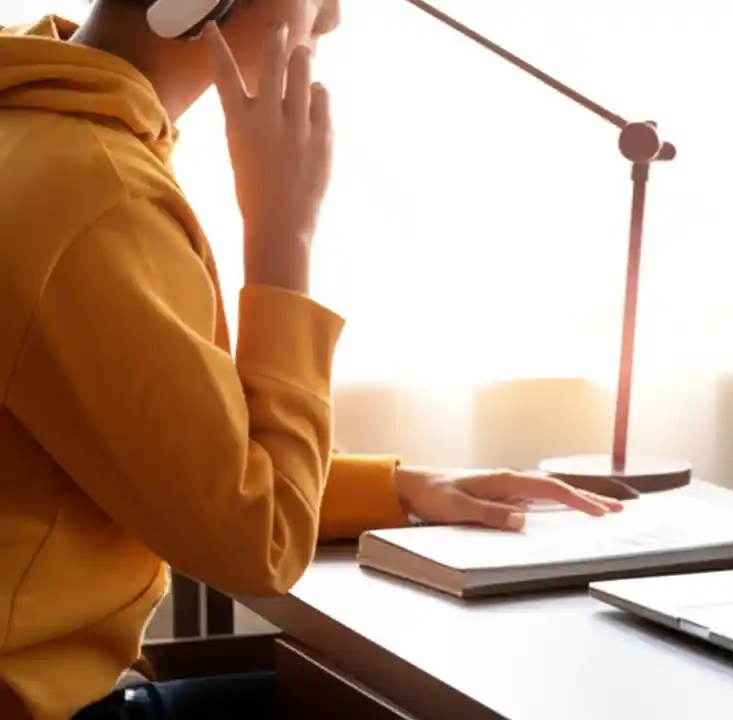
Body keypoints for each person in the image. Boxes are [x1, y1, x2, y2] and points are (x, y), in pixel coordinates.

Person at [0, 1, 624, 717]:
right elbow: (256, 543)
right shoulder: (94, 191)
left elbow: (172, 456)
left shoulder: (31, 121)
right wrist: (282, 231)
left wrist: (400, 488)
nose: (330, 16)